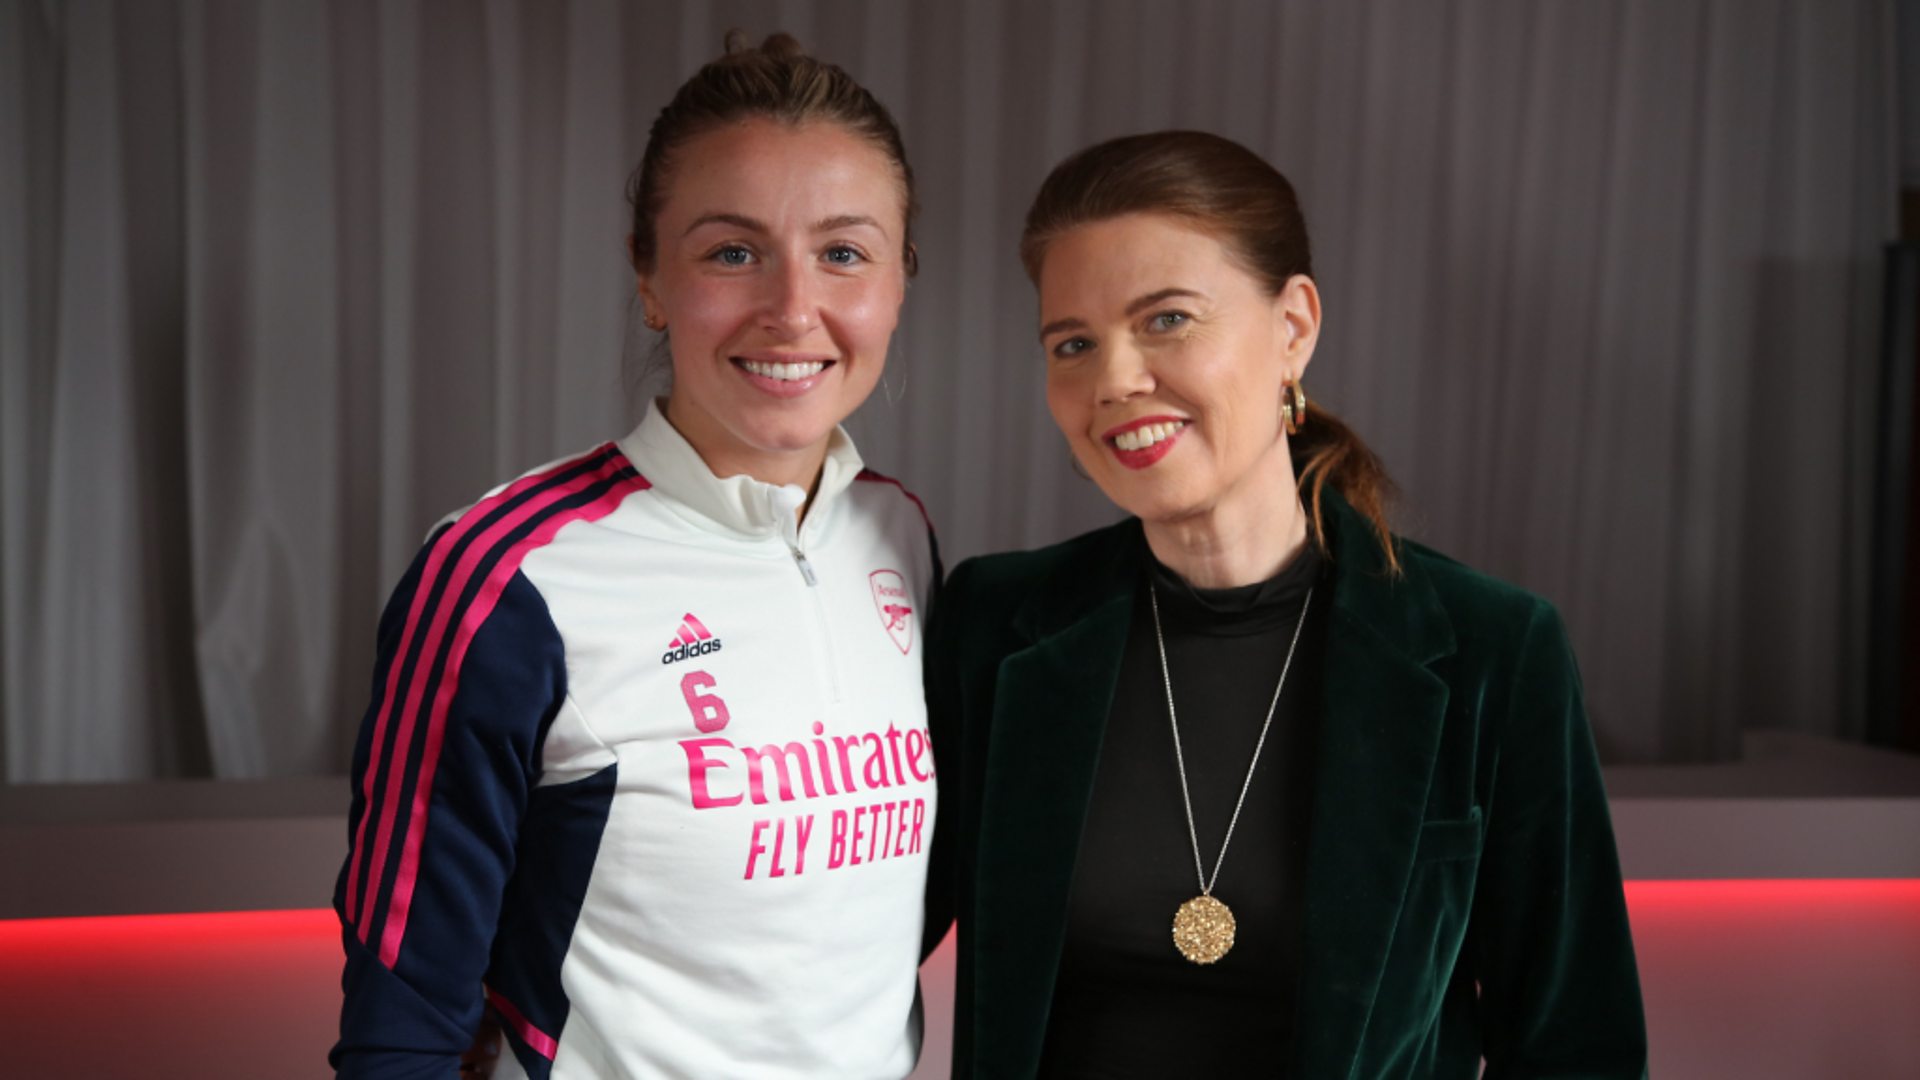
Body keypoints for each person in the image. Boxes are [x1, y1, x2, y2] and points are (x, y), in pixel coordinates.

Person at [926, 131, 1647, 1078]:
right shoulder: (996, 623)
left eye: (1168, 320)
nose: (1114, 380)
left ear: (1294, 327)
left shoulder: (1491, 648)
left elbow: (1575, 1048)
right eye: (1073, 343)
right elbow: (832, 943)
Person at [332, 32, 942, 1079]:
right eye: (732, 251)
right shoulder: (502, 577)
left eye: (843, 252)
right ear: (651, 278)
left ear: (898, 282)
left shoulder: (902, 537)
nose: (794, 308)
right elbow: (405, 1012)